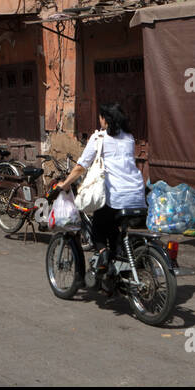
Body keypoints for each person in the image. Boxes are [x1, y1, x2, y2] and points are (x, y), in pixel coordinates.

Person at [53, 103, 146, 276]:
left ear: (106, 119)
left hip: (115, 196)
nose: (99, 120)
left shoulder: (99, 138)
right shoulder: (129, 138)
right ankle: (113, 271)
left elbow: (81, 167)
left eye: (101, 117)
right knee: (111, 228)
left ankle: (103, 257)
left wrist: (65, 184)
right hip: (137, 195)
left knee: (97, 229)